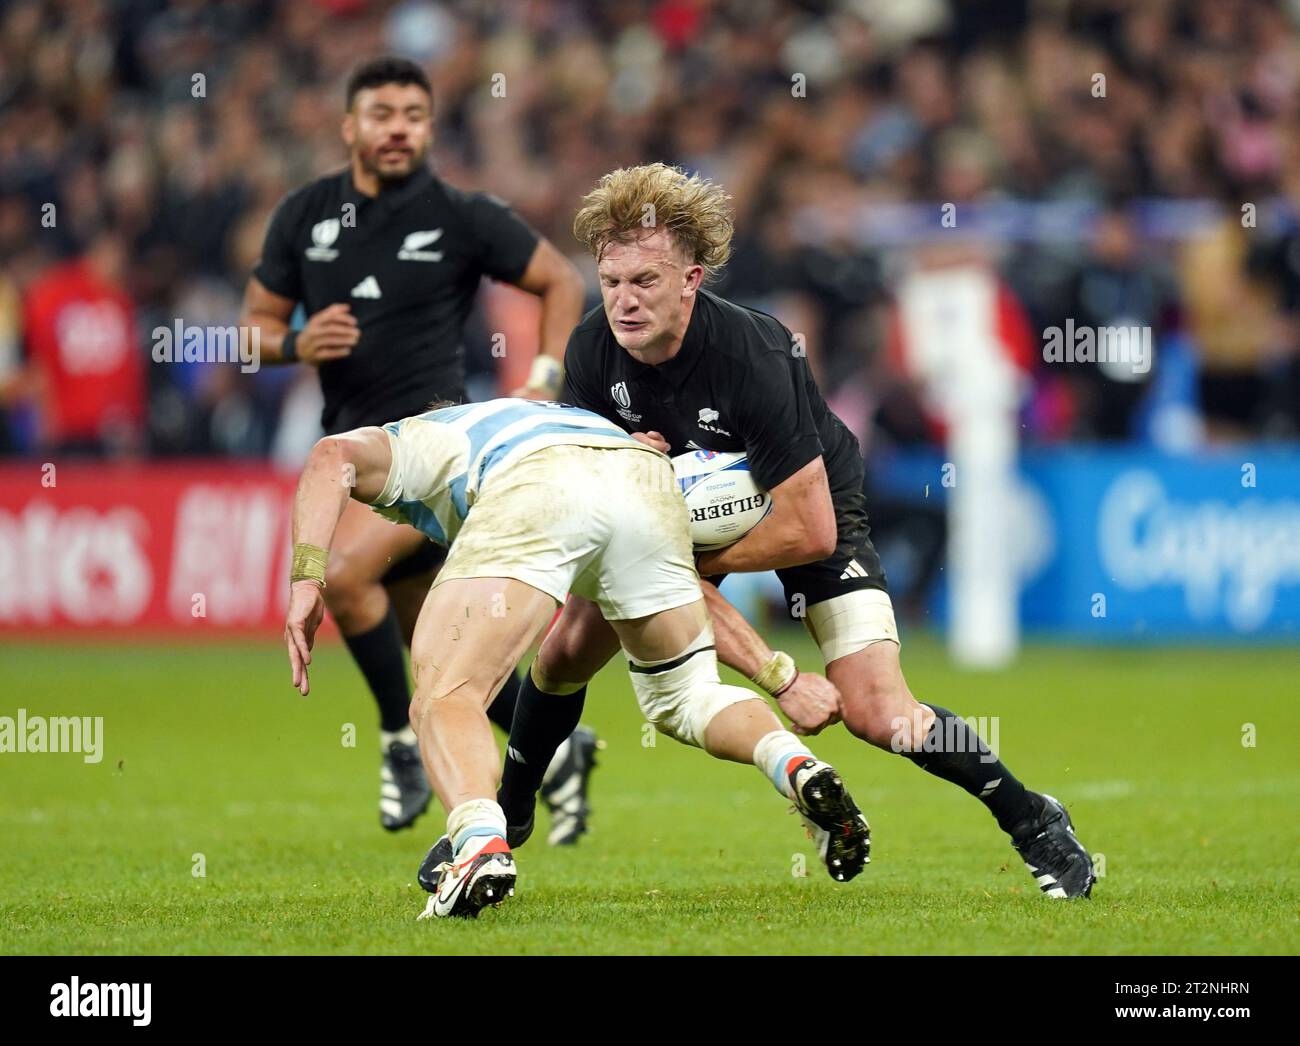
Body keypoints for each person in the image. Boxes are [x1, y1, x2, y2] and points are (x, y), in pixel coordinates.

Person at [499, 163, 1096, 899]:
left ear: (691, 278)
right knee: (562, 650)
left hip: (810, 506)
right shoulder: (592, 352)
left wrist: (682, 562)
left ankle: (1032, 817)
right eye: (612, 280)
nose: (624, 300)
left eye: (645, 282)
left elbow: (809, 530)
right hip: (684, 518)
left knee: (884, 716)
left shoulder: (754, 353)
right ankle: (504, 819)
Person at [282, 398, 871, 919]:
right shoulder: (562, 417)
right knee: (685, 698)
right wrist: (776, 674)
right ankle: (795, 766)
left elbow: (332, 456)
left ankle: (479, 845)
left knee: (447, 694)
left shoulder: (424, 437)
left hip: (537, 485)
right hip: (642, 478)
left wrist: (306, 580)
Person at [241, 56, 596, 836]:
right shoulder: (304, 215)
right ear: (349, 126)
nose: (397, 127)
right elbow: (250, 333)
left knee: (339, 572)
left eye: (413, 114)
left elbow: (560, 282)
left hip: (439, 454)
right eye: (381, 113)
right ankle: (562, 750)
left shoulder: (463, 215)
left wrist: (542, 378)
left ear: (430, 127)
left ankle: (400, 743)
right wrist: (297, 342)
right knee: (436, 647)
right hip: (357, 456)